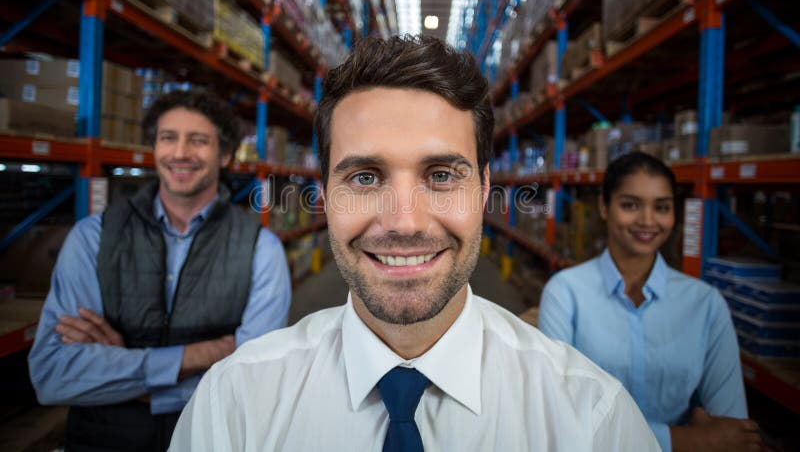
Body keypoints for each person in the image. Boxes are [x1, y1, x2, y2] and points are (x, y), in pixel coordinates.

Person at [170, 35, 659, 451]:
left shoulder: (593, 421)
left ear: (484, 190)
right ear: (323, 197)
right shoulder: (234, 407)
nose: (404, 221)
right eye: (364, 177)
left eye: (442, 175)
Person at [28, 91, 292, 451]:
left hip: (210, 441)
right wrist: (205, 354)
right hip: (102, 442)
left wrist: (126, 372)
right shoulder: (93, 237)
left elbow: (258, 379)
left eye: (198, 141)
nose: (181, 152)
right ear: (154, 148)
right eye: (168, 138)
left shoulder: (261, 249)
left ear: (226, 154)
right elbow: (53, 374)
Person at [538, 152, 762, 452]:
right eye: (630, 205)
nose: (647, 220)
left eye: (662, 207)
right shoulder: (565, 293)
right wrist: (691, 440)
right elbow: (555, 415)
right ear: (604, 207)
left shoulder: (705, 304)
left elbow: (734, 432)